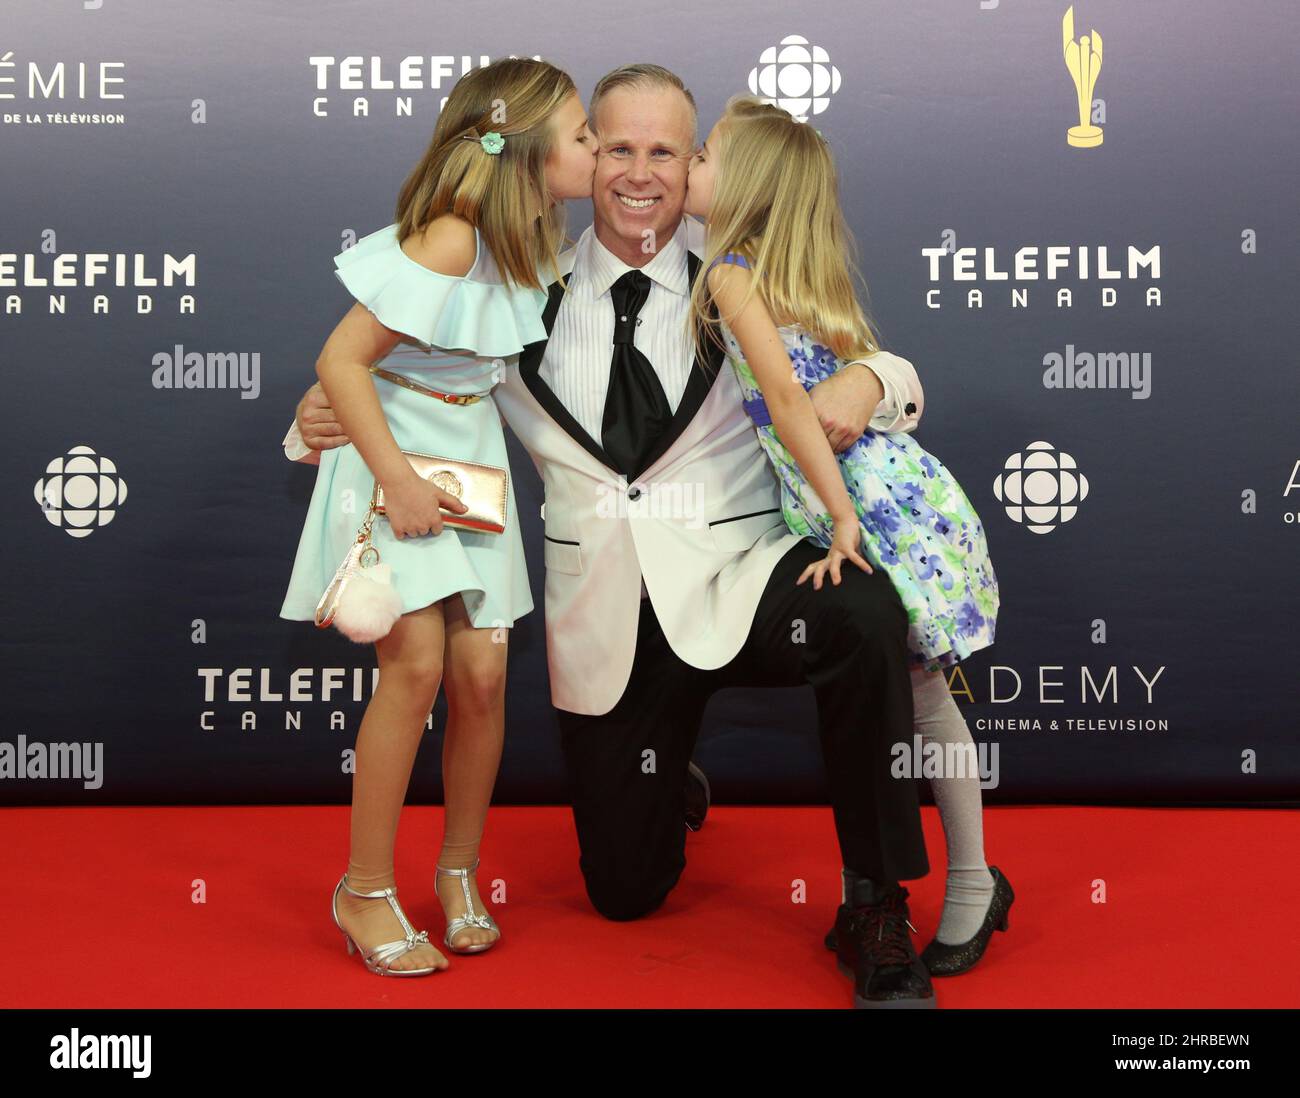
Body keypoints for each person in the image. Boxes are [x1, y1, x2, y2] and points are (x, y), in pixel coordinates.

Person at [287, 64, 934, 1008]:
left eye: (664, 151)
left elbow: (871, 355)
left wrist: (873, 385)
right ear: (579, 161)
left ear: (694, 163)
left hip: (741, 580)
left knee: (863, 608)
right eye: (615, 147)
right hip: (607, 614)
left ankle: (876, 905)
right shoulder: (515, 284)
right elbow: (393, 369)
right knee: (625, 893)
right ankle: (669, 781)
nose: (639, 172)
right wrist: (312, 418)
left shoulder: (734, 274)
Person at [682, 93, 1013, 975]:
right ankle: (963, 882)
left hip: (871, 505)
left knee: (926, 693)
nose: (688, 166)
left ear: (744, 186)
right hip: (892, 496)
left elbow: (794, 403)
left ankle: (971, 884)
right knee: (925, 694)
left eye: (705, 154)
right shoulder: (797, 280)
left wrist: (836, 519)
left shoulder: (730, 275)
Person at [280, 57, 596, 976]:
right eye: (579, 135)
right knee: (413, 668)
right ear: (525, 148)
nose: (590, 150)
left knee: (484, 679)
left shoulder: (529, 241)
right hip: (392, 468)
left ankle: (459, 875)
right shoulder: (451, 238)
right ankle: (364, 890)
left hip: (471, 465)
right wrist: (396, 480)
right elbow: (341, 363)